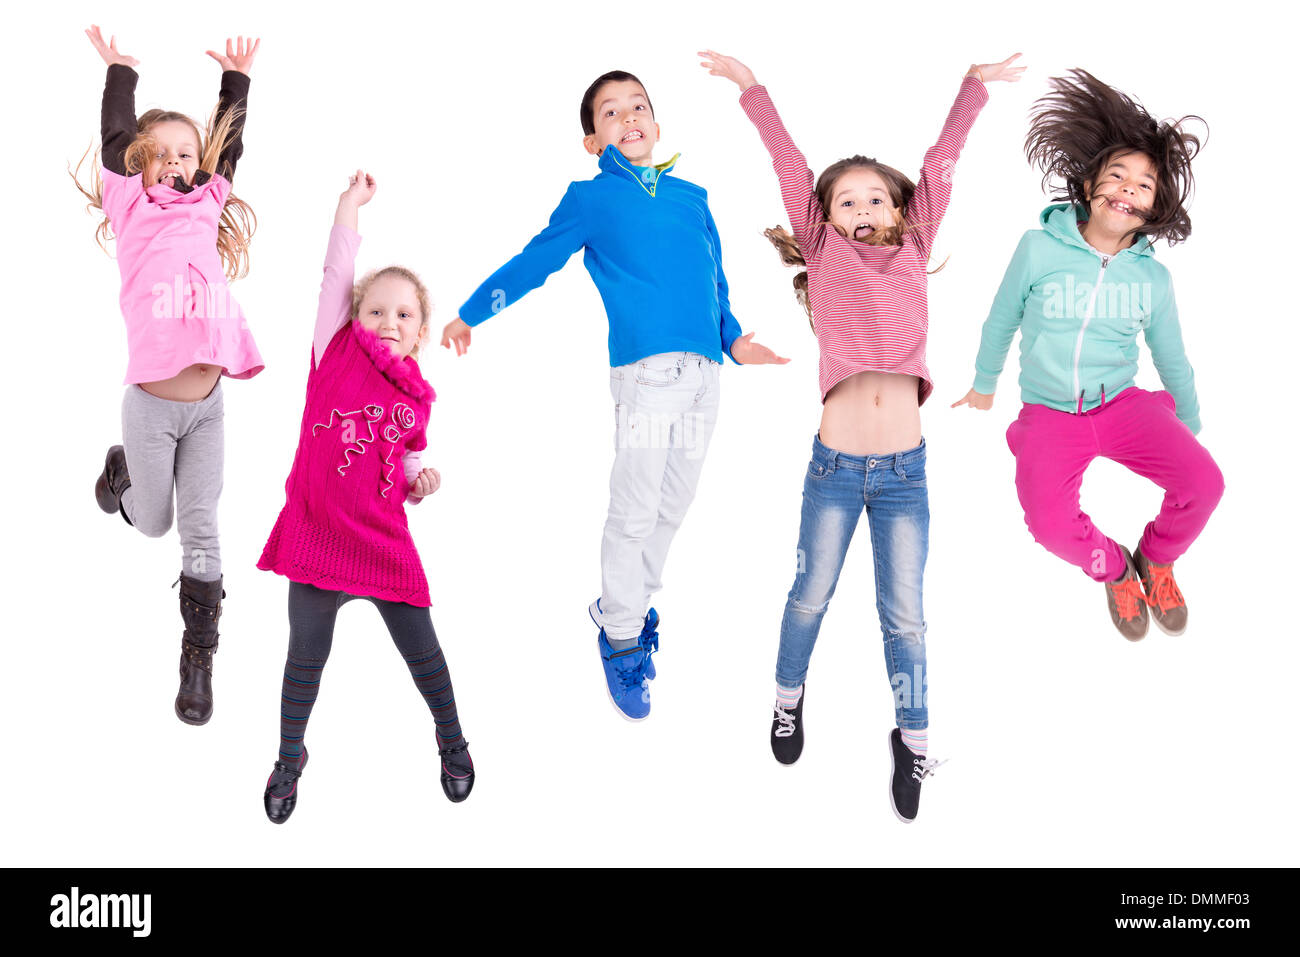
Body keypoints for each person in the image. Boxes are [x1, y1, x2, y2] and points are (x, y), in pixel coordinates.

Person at [702, 49, 1021, 822]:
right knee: (809, 596)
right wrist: (752, 89)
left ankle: (912, 740)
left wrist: (973, 86)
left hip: (906, 473)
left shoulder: (912, 246)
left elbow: (941, 163)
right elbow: (789, 160)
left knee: (905, 616)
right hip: (835, 470)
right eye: (846, 201)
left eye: (876, 198)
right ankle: (787, 698)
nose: (863, 208)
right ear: (826, 217)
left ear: (900, 210)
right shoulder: (822, 249)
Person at [440, 69, 787, 721]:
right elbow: (533, 261)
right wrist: (470, 313)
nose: (629, 117)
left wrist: (735, 341)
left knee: (674, 502)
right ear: (591, 141)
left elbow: (716, 283)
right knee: (634, 510)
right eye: (610, 113)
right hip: (647, 376)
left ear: (656, 125)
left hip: (704, 374)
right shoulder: (592, 198)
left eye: (639, 107)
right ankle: (621, 636)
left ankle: (619, 602)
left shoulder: (693, 197)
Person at [954, 69, 1224, 642]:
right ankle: (1116, 567)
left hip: (1123, 406)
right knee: (1050, 526)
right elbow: (1002, 316)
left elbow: (1173, 356)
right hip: (1051, 414)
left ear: (1155, 208)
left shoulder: (1153, 279)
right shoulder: (1037, 248)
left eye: (1144, 185)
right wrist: (984, 382)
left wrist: (1191, 423)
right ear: (1089, 186)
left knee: (1205, 484)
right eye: (1117, 176)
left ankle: (1157, 559)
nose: (1128, 189)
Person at [257, 173, 473, 823]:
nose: (387, 320)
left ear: (420, 332)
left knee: (425, 651)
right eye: (375, 309)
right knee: (304, 657)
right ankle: (289, 758)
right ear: (354, 318)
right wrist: (347, 207)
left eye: (403, 314)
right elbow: (335, 275)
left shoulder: (416, 400)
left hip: (381, 543)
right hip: (318, 534)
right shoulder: (333, 350)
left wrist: (420, 483)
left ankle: (453, 740)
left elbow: (404, 468)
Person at [77, 26, 263, 726]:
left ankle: (198, 657)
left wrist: (236, 86)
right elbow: (119, 131)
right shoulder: (131, 210)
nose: (179, 164)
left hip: (209, 406)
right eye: (163, 156)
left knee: (203, 532)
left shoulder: (207, 204)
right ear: (139, 168)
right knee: (153, 524)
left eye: (188, 154)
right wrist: (120, 72)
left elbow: (229, 148)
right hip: (151, 411)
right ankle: (123, 475)